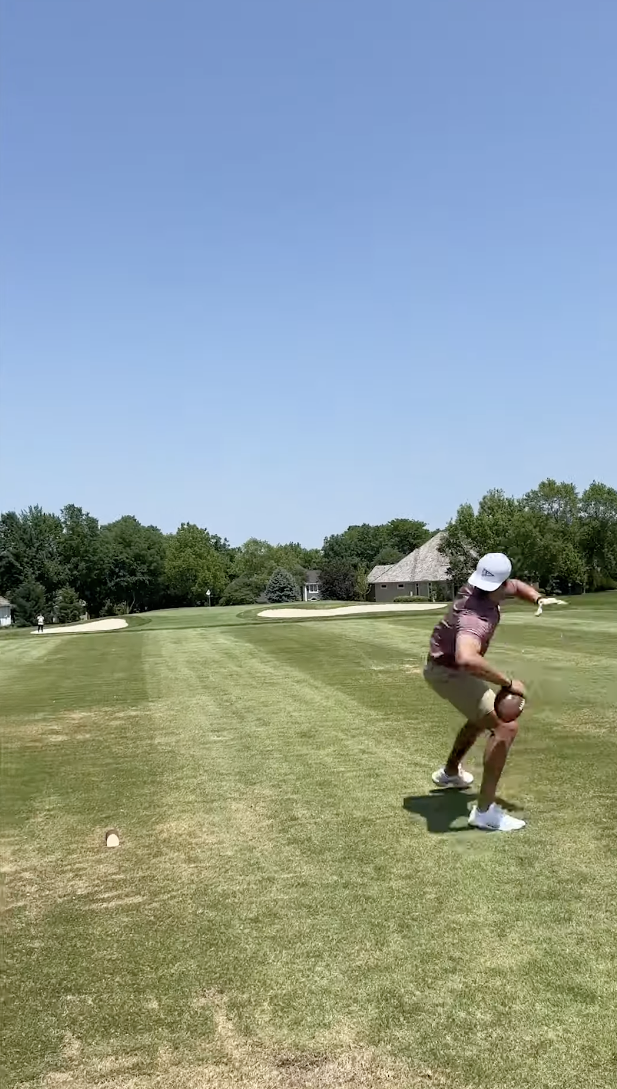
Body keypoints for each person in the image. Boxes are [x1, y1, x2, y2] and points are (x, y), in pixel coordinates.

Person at [424, 553, 546, 832]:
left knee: (482, 716)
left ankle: (450, 773)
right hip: (448, 672)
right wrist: (508, 682)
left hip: (445, 666)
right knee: (505, 725)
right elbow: (467, 658)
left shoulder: (488, 585)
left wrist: (538, 598)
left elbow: (516, 585)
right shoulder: (474, 616)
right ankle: (484, 813)